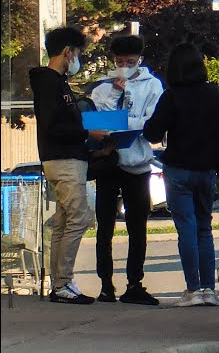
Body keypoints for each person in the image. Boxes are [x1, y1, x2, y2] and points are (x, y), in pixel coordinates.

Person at [143, 42, 219, 307]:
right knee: (205, 229)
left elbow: (152, 133)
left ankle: (192, 289)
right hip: (207, 172)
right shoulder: (214, 95)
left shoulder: (171, 96)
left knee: (187, 229)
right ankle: (209, 289)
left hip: (178, 170)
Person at [29, 26, 112, 305]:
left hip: (66, 158)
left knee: (65, 221)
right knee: (80, 217)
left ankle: (60, 282)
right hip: (63, 160)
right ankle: (63, 283)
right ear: (68, 52)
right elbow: (56, 126)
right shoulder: (51, 84)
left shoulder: (54, 83)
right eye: (76, 53)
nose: (77, 59)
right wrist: (87, 134)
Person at [89, 34, 163, 305]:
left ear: (139, 60)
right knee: (105, 226)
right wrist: (116, 94)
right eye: (119, 61)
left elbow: (150, 121)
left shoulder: (152, 85)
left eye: (130, 61)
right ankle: (105, 284)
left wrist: (122, 122)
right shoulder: (102, 87)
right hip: (108, 162)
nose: (124, 66)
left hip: (138, 163)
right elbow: (98, 119)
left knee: (137, 226)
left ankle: (135, 282)